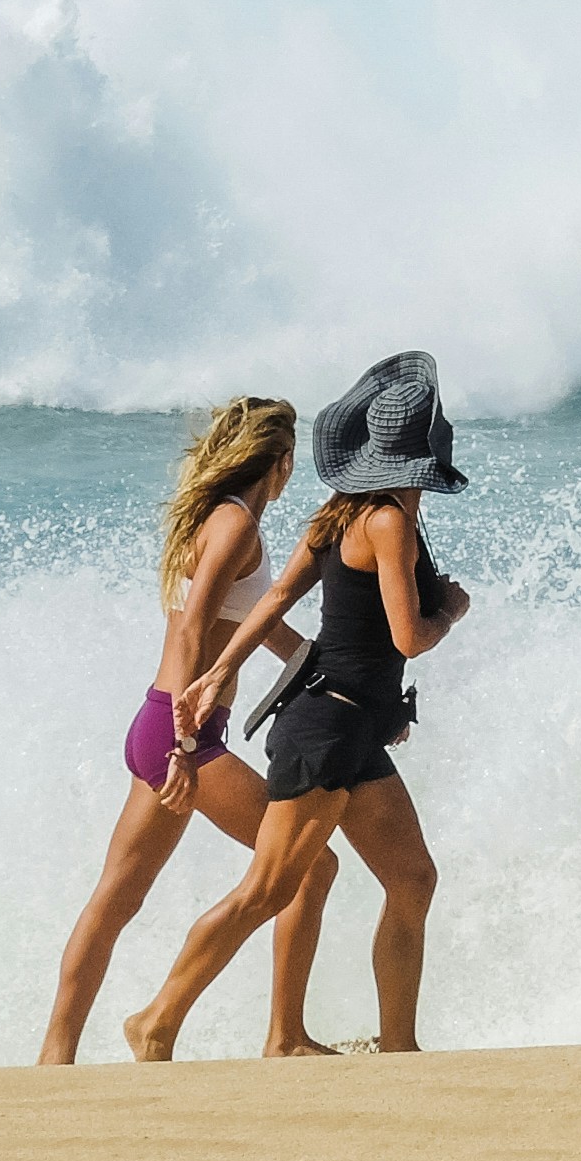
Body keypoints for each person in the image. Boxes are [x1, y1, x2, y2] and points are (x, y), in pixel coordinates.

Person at [123, 351, 473, 1061]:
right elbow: (410, 635)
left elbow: (278, 599)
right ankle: (155, 1019)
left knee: (412, 877)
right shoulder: (390, 524)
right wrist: (453, 613)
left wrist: (222, 668)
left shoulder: (339, 514)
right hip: (327, 729)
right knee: (266, 890)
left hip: (349, 723)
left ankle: (399, 1045)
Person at [34, 395, 338, 1064]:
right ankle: (276, 1036)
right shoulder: (234, 525)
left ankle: (54, 1060)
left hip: (163, 722)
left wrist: (347, 683)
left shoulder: (219, 520)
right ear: (281, 463)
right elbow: (198, 629)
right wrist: (181, 745)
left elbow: (266, 634)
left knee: (115, 898)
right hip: (183, 734)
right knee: (312, 865)